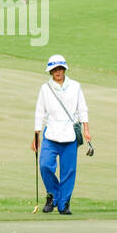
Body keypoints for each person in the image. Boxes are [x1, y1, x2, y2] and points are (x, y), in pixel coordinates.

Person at [32, 54, 91, 215]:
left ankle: (64, 203)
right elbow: (39, 112)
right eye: (54, 69)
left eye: (60, 68)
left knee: (68, 171)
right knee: (45, 165)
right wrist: (36, 136)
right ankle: (53, 196)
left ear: (64, 69)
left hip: (70, 133)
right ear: (50, 72)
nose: (57, 72)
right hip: (50, 132)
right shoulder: (45, 88)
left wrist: (86, 129)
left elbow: (82, 108)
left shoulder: (76, 86)